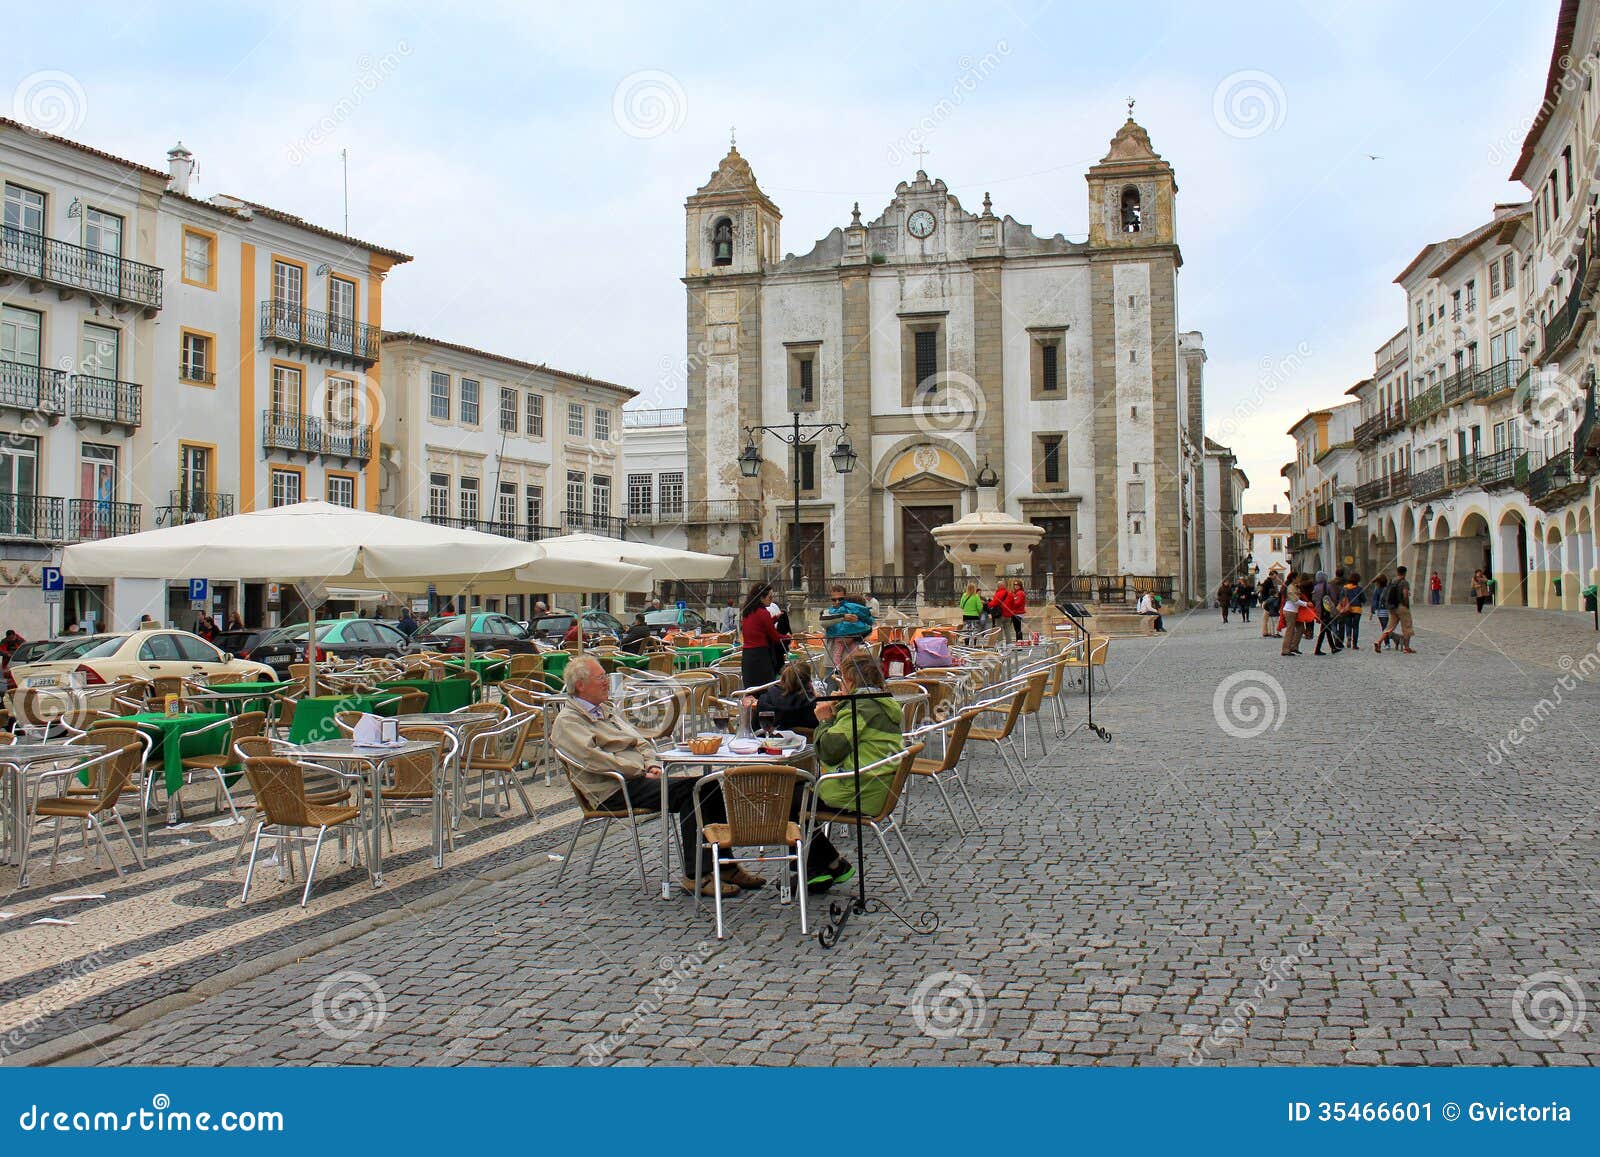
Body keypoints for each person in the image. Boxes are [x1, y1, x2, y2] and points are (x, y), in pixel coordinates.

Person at [551, 655, 756, 898]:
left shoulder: (606, 711)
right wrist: (638, 769)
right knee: (694, 790)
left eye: (605, 677)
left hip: (637, 778)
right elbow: (593, 760)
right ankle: (697, 876)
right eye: (601, 678)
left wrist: (650, 764)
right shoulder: (569, 721)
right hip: (612, 788)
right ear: (581, 685)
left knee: (708, 786)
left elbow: (641, 741)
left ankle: (726, 866)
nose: (607, 682)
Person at [809, 651, 909, 891]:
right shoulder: (882, 702)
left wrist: (824, 719)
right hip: (876, 786)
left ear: (851, 680)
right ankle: (827, 865)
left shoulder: (860, 707)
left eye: (840, 678)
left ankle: (820, 868)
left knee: (790, 799)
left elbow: (831, 750)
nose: (838, 683)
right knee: (797, 795)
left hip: (858, 790)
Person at [742, 660, 819, 732]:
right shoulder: (813, 705)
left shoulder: (765, 700)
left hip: (769, 743)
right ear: (809, 681)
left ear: (783, 678)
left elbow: (753, 728)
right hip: (806, 744)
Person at [740, 582, 785, 689]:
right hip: (760, 656)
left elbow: (758, 626)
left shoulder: (748, 611)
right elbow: (775, 637)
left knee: (751, 691)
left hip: (747, 656)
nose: (771, 599)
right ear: (761, 598)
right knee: (765, 690)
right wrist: (791, 637)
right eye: (770, 597)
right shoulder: (763, 613)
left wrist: (774, 619)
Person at [822, 583, 872, 672]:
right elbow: (823, 622)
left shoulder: (852, 610)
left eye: (840, 599)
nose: (837, 602)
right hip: (831, 663)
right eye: (834, 600)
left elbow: (867, 628)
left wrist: (852, 638)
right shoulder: (827, 612)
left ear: (845, 599)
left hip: (850, 664)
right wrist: (843, 617)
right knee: (831, 684)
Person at [1374, 566, 1415, 653]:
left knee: (1389, 627)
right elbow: (1405, 594)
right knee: (1407, 626)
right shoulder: (1404, 582)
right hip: (1401, 607)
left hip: (1392, 607)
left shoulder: (1392, 581)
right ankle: (1406, 648)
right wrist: (1406, 605)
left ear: (1397, 572)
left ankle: (1379, 642)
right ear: (1405, 573)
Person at [1312, 571, 1343, 656]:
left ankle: (1332, 647)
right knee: (1324, 629)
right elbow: (1333, 597)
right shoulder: (1328, 586)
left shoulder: (1315, 587)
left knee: (1326, 629)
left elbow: (1313, 599)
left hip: (1319, 611)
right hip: (1326, 611)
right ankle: (1318, 649)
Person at [1339, 572, 1365, 649]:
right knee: (1356, 627)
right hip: (1357, 609)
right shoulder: (1359, 589)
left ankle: (1348, 636)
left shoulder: (1344, 588)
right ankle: (1355, 644)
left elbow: (1341, 598)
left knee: (1348, 625)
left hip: (1347, 609)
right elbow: (1363, 599)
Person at [1370, 574, 1392, 649]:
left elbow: (1374, 600)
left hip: (1381, 610)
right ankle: (1387, 641)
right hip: (1389, 610)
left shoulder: (1377, 589)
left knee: (1384, 627)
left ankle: (1387, 643)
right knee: (1388, 627)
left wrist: (1372, 609)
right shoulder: (1388, 588)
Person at [1006, 578, 1027, 642]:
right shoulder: (1016, 593)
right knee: (1017, 629)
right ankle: (1019, 641)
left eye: (1017, 585)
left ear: (1020, 586)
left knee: (1017, 629)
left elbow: (1017, 603)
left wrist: (1010, 604)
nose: (1016, 586)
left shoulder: (1020, 593)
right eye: (1015, 585)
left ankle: (1019, 642)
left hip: (1018, 613)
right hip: (1015, 613)